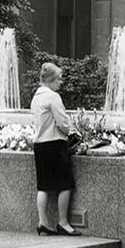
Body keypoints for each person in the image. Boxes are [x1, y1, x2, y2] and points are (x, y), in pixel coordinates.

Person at [31, 62, 80, 236]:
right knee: (65, 184)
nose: (60, 82)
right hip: (55, 144)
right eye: (58, 79)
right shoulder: (53, 97)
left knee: (43, 186)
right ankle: (63, 222)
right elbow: (63, 123)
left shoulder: (36, 97)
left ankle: (43, 222)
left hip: (40, 145)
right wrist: (72, 132)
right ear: (51, 80)